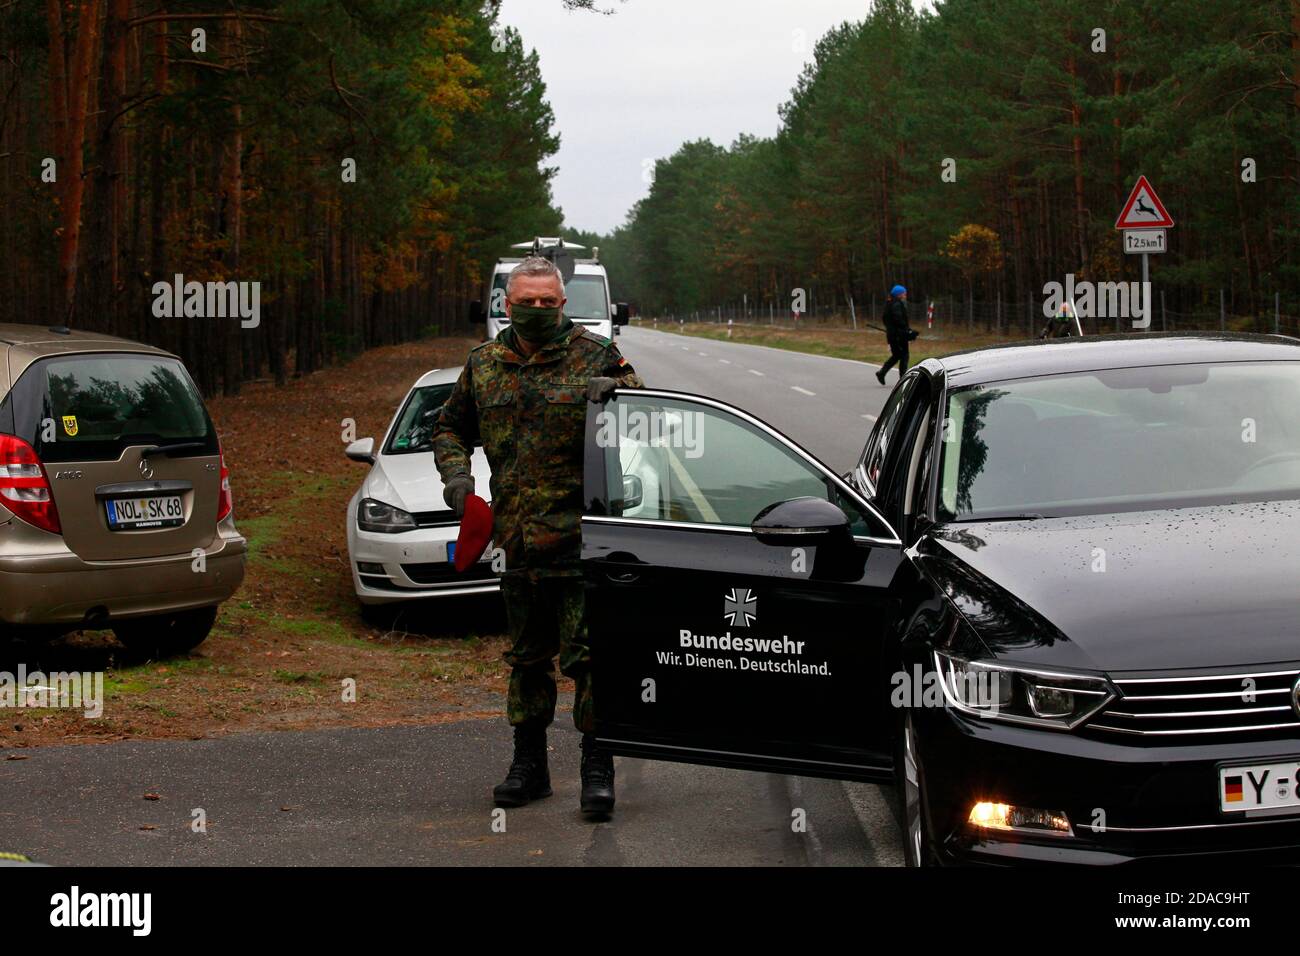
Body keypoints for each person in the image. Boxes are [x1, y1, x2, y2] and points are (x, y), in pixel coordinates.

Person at [433, 256, 644, 819]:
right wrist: (457, 479)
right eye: (528, 302)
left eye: (549, 303)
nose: (538, 311)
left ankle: (597, 769)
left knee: (589, 662)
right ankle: (529, 767)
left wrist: (617, 389)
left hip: (581, 543)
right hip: (517, 544)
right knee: (526, 661)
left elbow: (641, 403)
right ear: (507, 304)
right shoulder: (483, 365)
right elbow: (450, 426)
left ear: (563, 303)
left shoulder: (593, 356)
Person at [875, 285, 916, 384]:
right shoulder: (897, 304)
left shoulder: (889, 303)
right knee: (904, 356)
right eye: (904, 293)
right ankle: (903, 379)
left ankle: (882, 373)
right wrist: (907, 330)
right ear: (899, 294)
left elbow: (885, 319)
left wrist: (890, 329)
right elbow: (898, 319)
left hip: (893, 335)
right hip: (899, 336)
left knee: (897, 355)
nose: (905, 295)